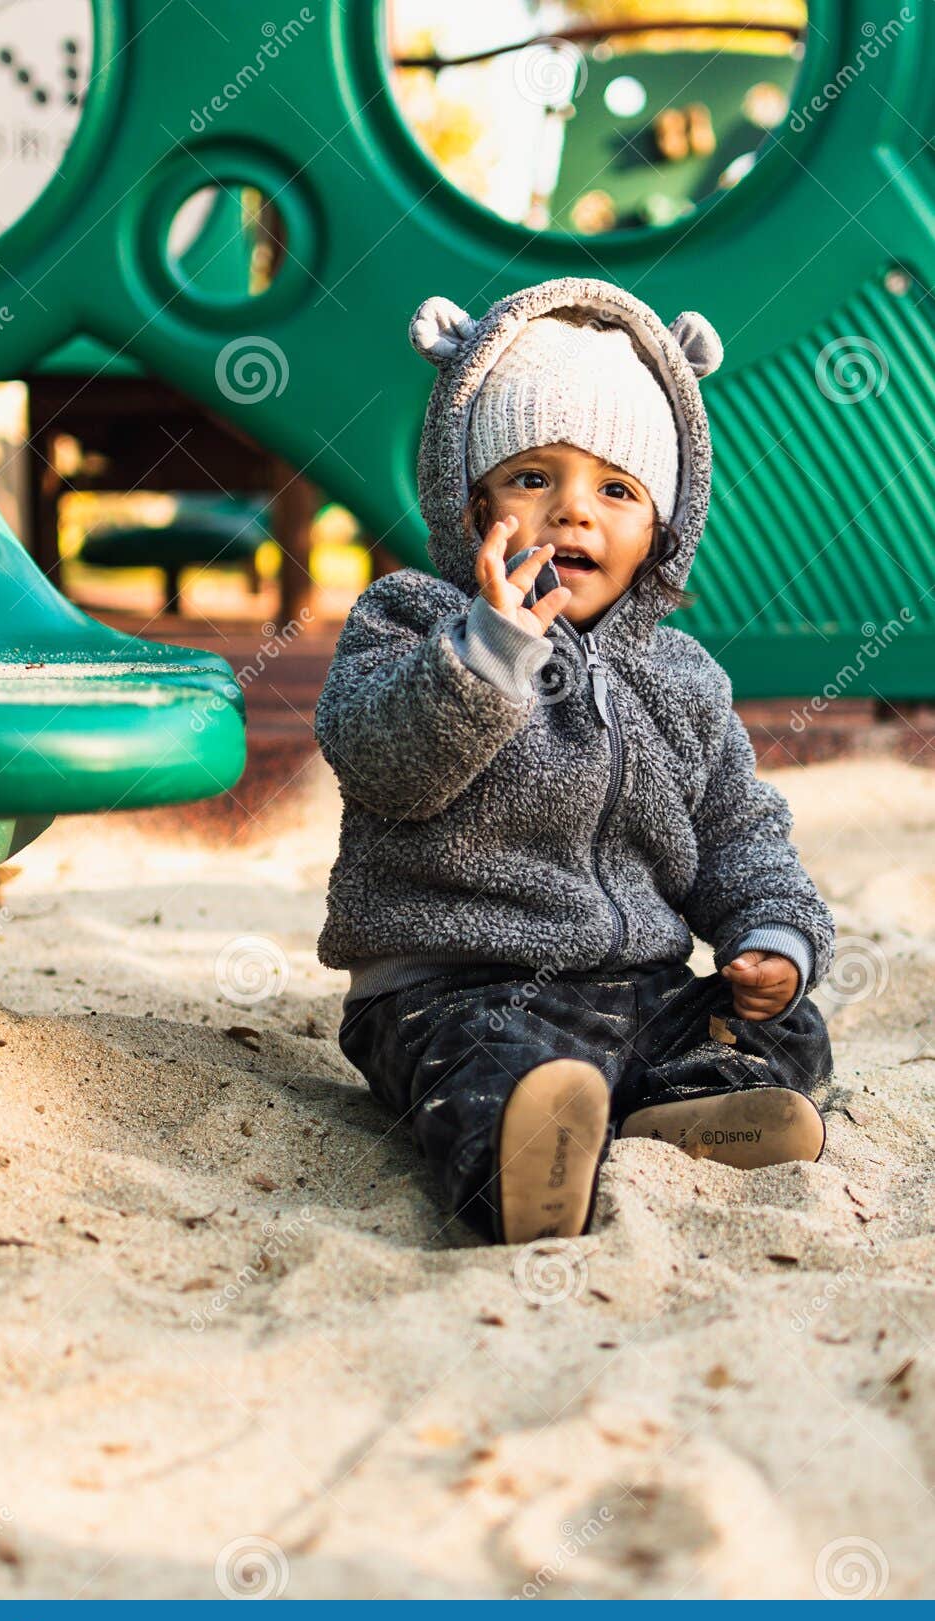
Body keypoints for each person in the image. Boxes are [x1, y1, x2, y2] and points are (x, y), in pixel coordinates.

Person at [314, 277, 835, 1248]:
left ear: (661, 529)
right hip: (451, 986)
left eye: (614, 489)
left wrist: (771, 934)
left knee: (784, 1029)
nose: (571, 512)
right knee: (487, 1066)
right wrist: (484, 656)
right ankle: (520, 1170)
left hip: (633, 988)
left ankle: (682, 1112)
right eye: (529, 478)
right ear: (471, 504)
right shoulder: (412, 621)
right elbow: (382, 763)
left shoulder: (679, 677)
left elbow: (738, 829)